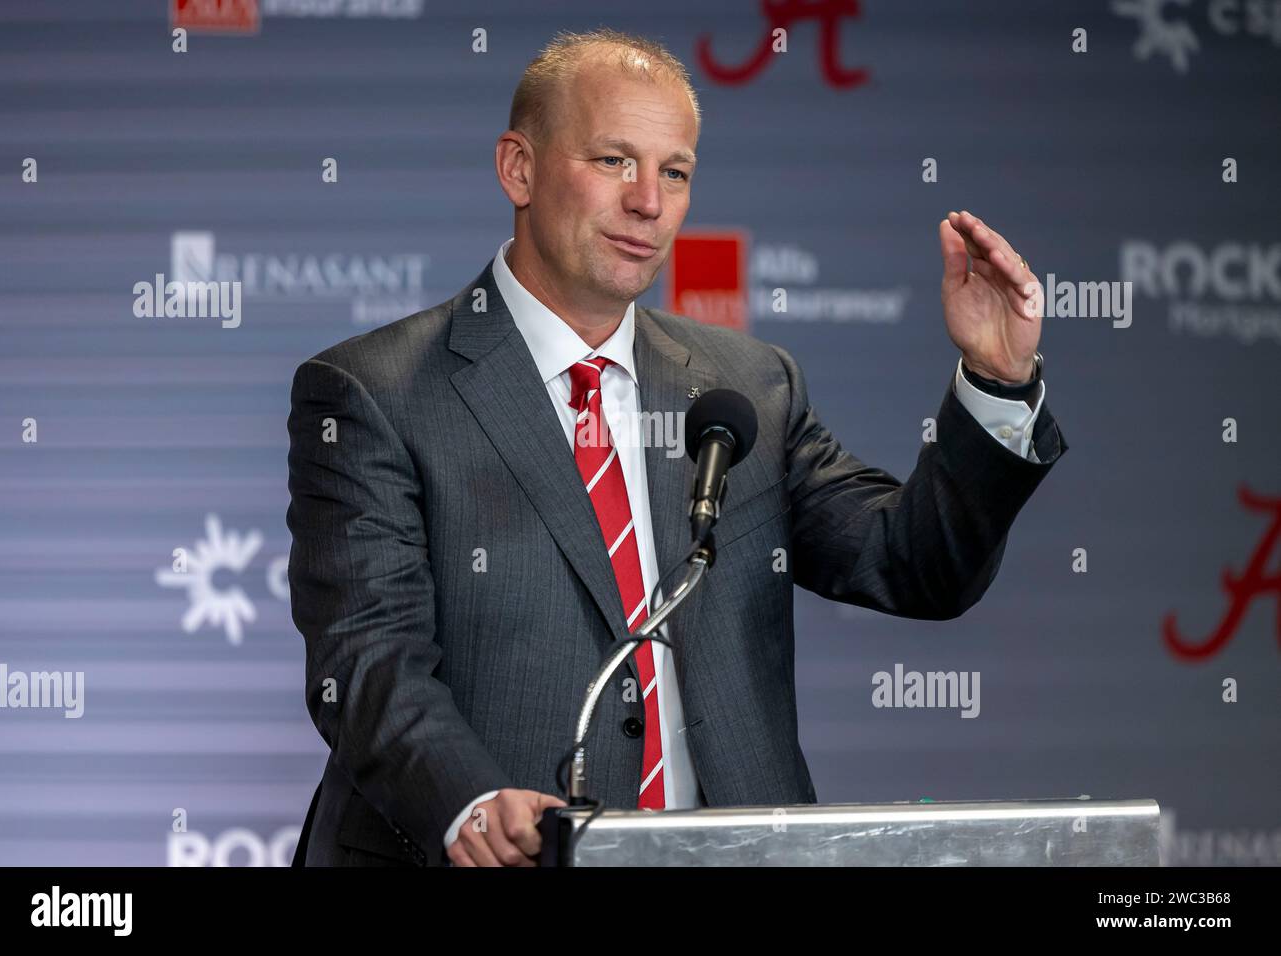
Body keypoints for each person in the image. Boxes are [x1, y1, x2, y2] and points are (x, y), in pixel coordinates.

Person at [285, 28, 1067, 867]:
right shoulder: (377, 391)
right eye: (614, 161)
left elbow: (916, 566)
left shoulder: (749, 386)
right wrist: (472, 803)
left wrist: (994, 380)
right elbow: (370, 662)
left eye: (676, 172)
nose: (649, 203)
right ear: (519, 168)